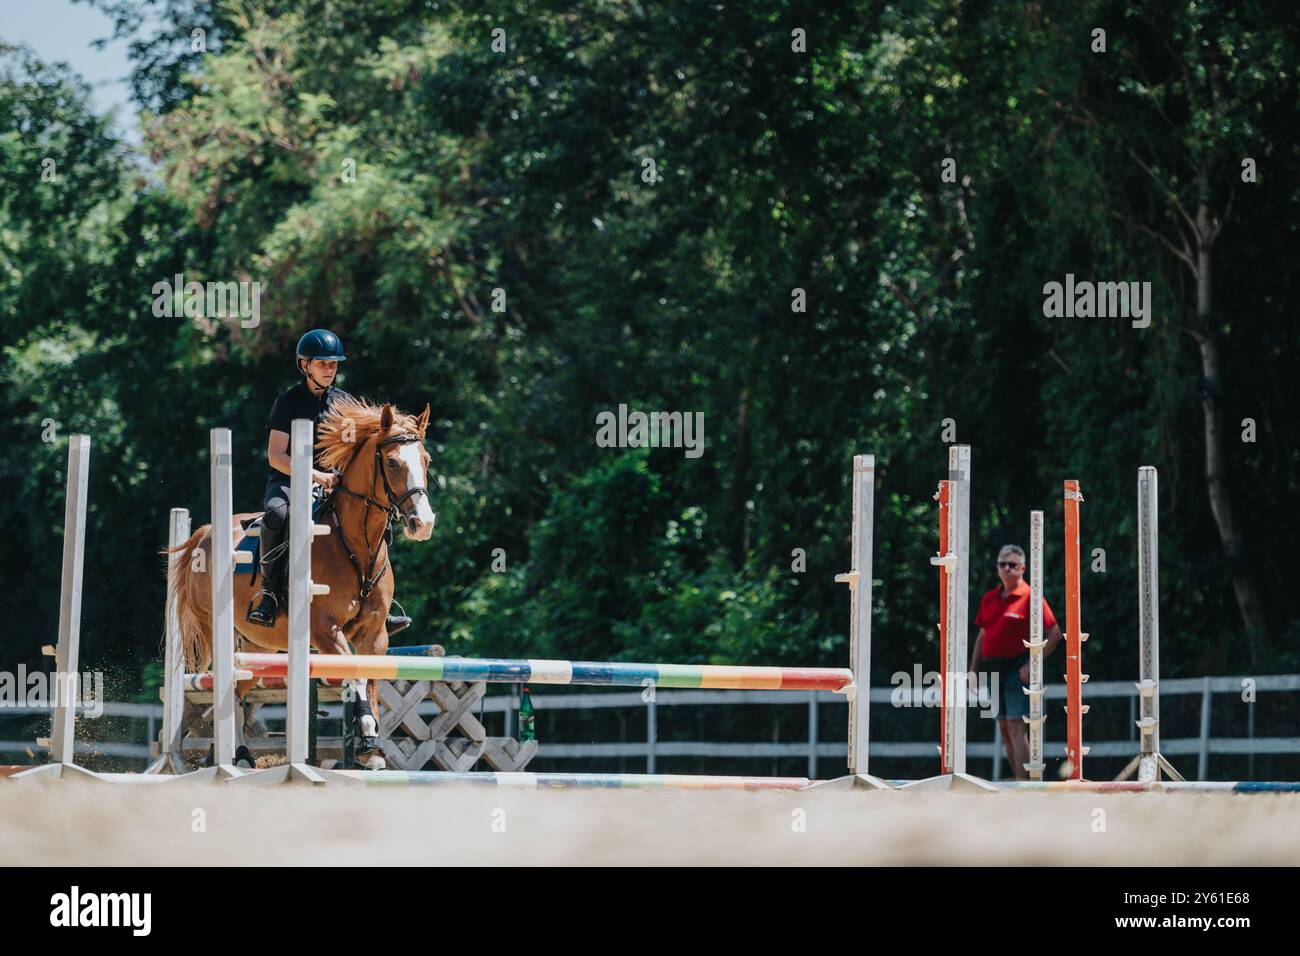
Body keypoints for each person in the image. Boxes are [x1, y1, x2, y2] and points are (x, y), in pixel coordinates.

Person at [245, 328, 412, 637]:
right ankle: (268, 595)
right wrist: (316, 475)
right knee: (277, 517)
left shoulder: (345, 403)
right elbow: (276, 455)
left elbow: (361, 451)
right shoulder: (288, 403)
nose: (329, 369)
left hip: (335, 484)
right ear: (304, 365)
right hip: (288, 481)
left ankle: (379, 602)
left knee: (380, 519)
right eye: (321, 363)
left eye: (333, 363)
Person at [970, 544, 1061, 779]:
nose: (1007, 568)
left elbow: (1055, 633)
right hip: (993, 669)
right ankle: (1020, 779)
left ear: (1022, 568)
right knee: (1004, 729)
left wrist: (1033, 664)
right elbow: (982, 636)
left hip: (1016, 668)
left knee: (1015, 726)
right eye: (1002, 564)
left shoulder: (1031, 596)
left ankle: (1027, 782)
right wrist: (973, 669)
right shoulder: (989, 598)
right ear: (997, 568)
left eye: (1012, 564)